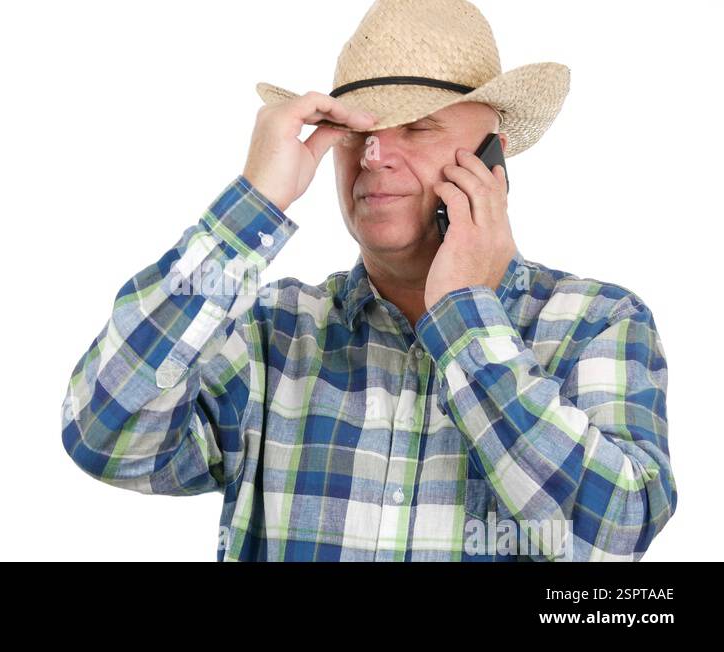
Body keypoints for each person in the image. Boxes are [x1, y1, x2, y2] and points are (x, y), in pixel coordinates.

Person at [61, 0, 677, 561]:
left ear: (494, 155)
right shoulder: (271, 332)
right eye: (358, 131)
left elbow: (617, 528)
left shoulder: (598, 321)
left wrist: (465, 318)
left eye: (417, 126)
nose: (375, 156)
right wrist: (250, 209)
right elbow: (105, 434)